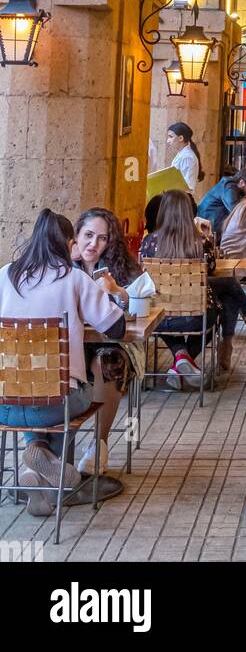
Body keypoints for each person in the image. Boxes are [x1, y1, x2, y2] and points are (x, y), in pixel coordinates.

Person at [0, 210, 125, 515]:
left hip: (6, 404)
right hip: (58, 405)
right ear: (69, 244)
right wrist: (109, 296)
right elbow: (116, 328)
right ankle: (55, 481)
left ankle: (37, 460)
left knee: (32, 391)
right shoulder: (73, 278)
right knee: (73, 389)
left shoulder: (5, 275)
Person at [71, 208, 142, 475]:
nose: (93, 244)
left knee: (107, 362)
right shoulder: (62, 268)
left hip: (114, 344)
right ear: (76, 235)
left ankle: (98, 445)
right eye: (88, 235)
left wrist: (117, 291)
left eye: (102, 238)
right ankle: (53, 451)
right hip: (73, 345)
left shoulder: (120, 268)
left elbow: (139, 308)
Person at [139, 189, 217, 389]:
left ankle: (179, 358)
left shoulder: (148, 242)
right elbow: (211, 268)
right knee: (217, 312)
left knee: (163, 312)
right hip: (197, 317)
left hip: (159, 318)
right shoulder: (202, 242)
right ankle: (183, 359)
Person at [198, 165, 246, 239]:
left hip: (209, 221)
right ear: (241, 182)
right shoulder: (229, 187)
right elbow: (235, 210)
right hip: (209, 223)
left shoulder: (231, 186)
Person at [166, 122, 204, 193]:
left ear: (180, 138)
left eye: (171, 137)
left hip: (181, 197)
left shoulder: (187, 157)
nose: (168, 141)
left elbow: (188, 185)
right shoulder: (182, 154)